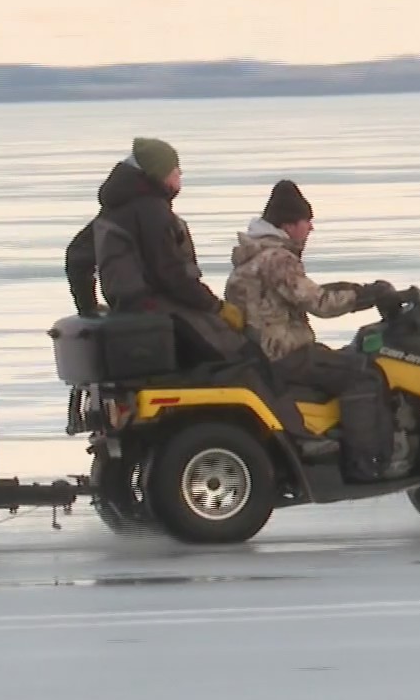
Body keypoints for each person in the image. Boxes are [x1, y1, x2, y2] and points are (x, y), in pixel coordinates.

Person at [65, 139, 333, 458]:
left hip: (136, 310)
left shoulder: (112, 213)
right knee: (248, 357)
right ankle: (297, 436)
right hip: (161, 308)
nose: (180, 178)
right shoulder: (153, 211)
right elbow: (173, 276)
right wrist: (216, 307)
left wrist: (90, 308)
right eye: (176, 171)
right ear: (158, 174)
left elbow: (76, 258)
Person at [224, 179, 399, 482]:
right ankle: (366, 463)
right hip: (284, 355)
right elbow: (320, 303)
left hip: (260, 354)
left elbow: (300, 295)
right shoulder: (278, 259)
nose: (311, 229)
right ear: (289, 225)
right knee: (364, 374)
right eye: (308, 221)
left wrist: (357, 290)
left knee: (342, 361)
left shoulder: (254, 257)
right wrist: (367, 297)